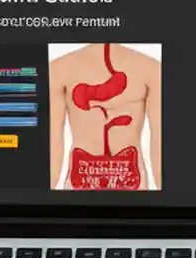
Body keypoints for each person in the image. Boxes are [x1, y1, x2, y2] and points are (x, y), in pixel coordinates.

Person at [49, 43, 162, 190]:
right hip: (131, 187)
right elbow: (160, 137)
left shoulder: (59, 67)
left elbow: (53, 141)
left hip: (82, 187)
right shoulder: (150, 67)